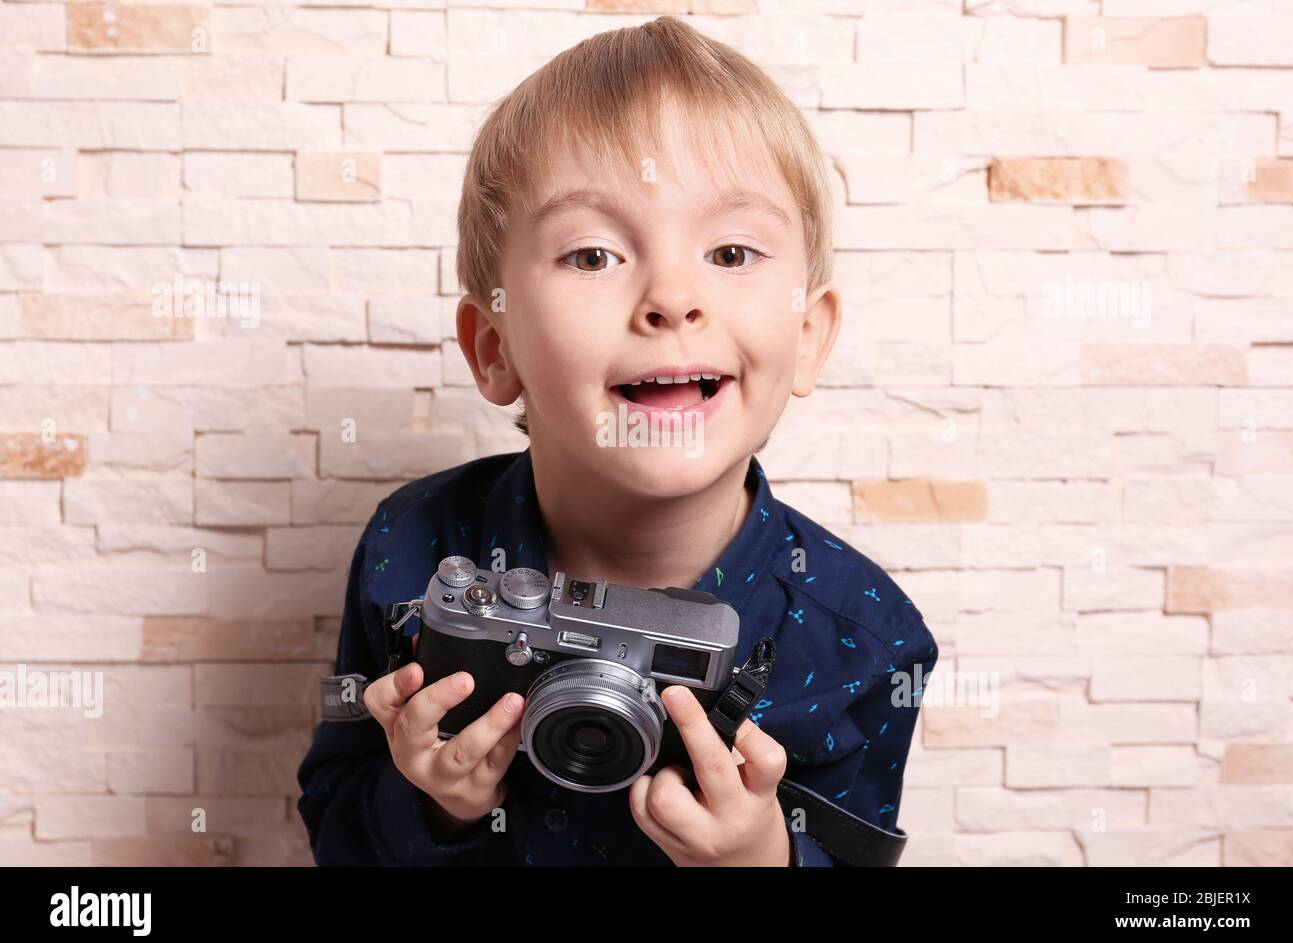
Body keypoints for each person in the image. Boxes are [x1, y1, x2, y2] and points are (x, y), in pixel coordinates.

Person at [297, 15, 938, 867]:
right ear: (496, 350)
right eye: (594, 255)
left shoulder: (865, 637)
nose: (672, 297)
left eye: (733, 251)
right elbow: (335, 827)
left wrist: (762, 861)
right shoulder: (410, 551)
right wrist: (432, 805)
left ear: (809, 336)